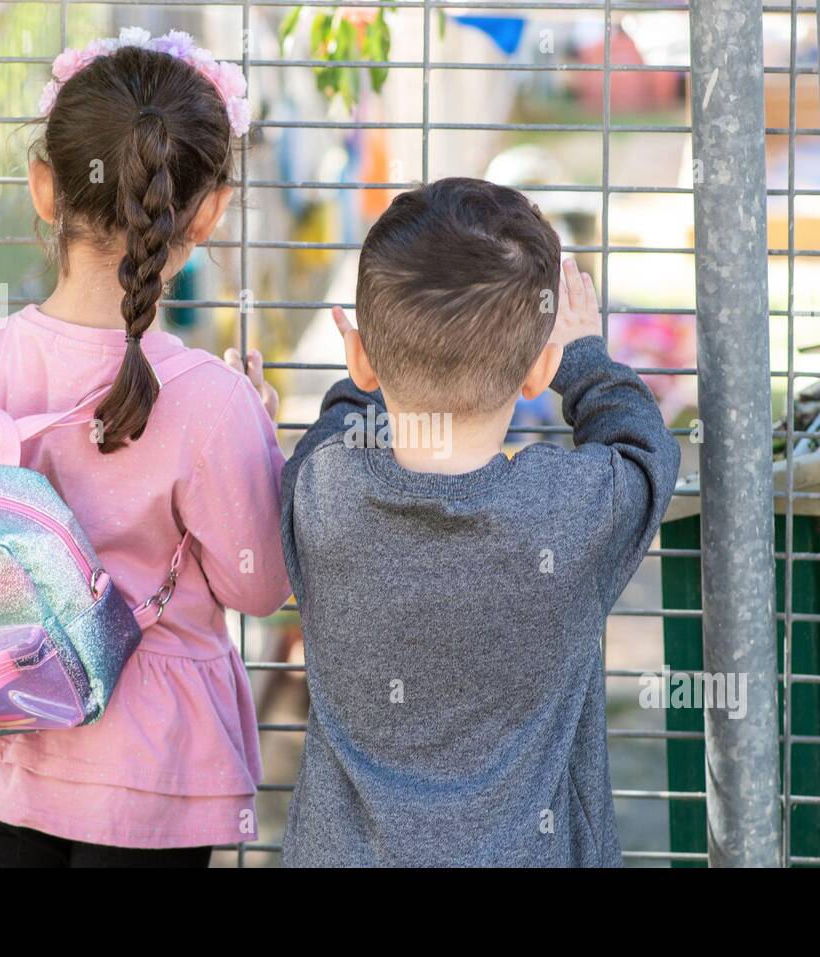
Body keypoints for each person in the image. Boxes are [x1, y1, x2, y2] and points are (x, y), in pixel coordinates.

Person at [0, 29, 287, 867]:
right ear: (207, 213)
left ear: (43, 187)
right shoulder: (214, 399)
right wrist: (264, 447)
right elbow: (260, 586)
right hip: (151, 768)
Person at [279, 178, 681, 866]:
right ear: (538, 372)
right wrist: (583, 357)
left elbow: (336, 427)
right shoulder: (567, 513)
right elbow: (645, 451)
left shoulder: (325, 494)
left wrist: (362, 373)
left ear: (361, 357)